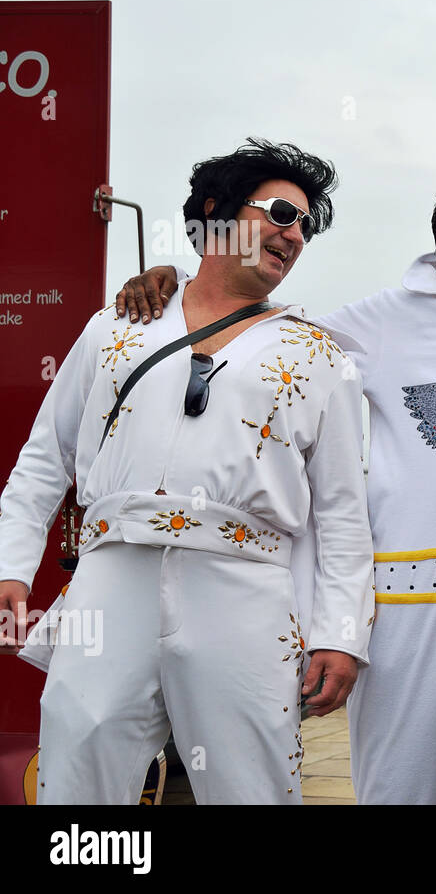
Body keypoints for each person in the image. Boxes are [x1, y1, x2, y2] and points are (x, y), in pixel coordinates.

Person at [115, 171, 436, 804]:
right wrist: (173, 286)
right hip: (415, 599)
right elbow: (257, 337)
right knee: (397, 794)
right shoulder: (380, 320)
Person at [0, 139, 374, 804]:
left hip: (246, 589)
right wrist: (11, 568)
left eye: (305, 226)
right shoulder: (116, 326)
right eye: (282, 212)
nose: (295, 233)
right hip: (109, 579)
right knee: (77, 768)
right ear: (214, 211)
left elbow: (343, 510)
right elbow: (44, 457)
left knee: (252, 782)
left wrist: (340, 635)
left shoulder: (321, 355)